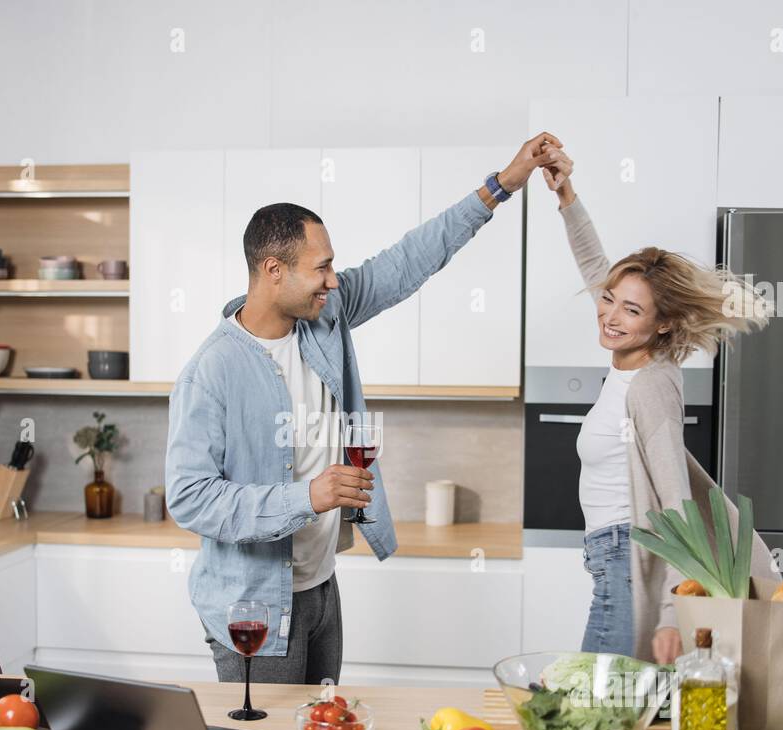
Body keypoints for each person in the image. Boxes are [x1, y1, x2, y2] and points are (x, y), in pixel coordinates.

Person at [167, 134, 561, 684]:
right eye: (321, 268)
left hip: (321, 588)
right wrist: (308, 496)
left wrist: (502, 185)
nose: (334, 280)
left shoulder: (325, 316)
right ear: (274, 270)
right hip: (254, 607)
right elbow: (189, 498)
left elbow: (408, 260)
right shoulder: (212, 371)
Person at [540, 138, 777, 664]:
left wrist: (675, 610)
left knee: (598, 707)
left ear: (662, 322)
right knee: (610, 707)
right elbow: (594, 265)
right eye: (608, 301)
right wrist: (566, 193)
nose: (610, 316)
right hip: (611, 558)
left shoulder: (651, 385)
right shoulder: (628, 362)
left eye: (630, 310)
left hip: (629, 559)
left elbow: (677, 503)